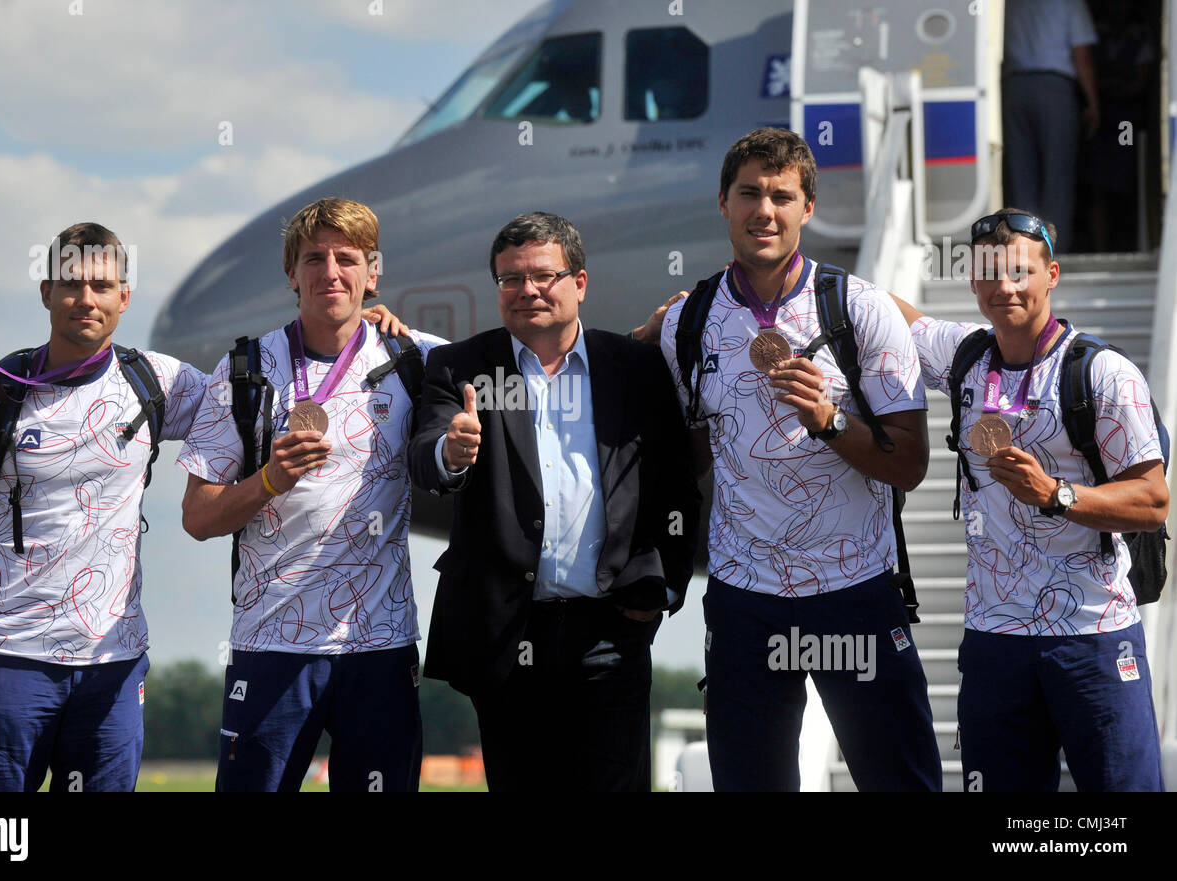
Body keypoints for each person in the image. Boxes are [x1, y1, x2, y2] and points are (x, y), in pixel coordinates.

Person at [656, 127, 942, 791]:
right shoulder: (687, 322)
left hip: (856, 591)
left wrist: (829, 421)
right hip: (744, 599)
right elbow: (687, 459)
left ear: (807, 208)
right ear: (723, 202)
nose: (765, 210)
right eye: (749, 193)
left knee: (901, 782)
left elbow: (910, 465)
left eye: (782, 196)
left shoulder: (862, 310)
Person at [0, 222, 207, 792]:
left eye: (102, 286)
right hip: (8, 654)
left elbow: (258, 396)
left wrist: (377, 331)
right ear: (46, 292)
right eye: (70, 284)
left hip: (113, 658)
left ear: (124, 297)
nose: (86, 299)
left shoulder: (158, 381)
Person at [407, 211, 700, 792]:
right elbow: (423, 457)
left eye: (544, 275)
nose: (527, 291)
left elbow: (676, 484)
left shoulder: (637, 368)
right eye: (510, 279)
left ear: (580, 283)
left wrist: (662, 588)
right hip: (507, 634)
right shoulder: (459, 367)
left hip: (611, 629)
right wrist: (452, 450)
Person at [892, 208, 1167, 791]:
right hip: (995, 640)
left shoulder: (1103, 373)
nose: (1005, 286)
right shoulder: (965, 356)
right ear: (973, 282)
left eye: (1020, 271)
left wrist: (1055, 493)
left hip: (1092, 634)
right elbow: (891, 312)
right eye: (989, 272)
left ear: (1052, 275)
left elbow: (1153, 501)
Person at [178, 197, 445, 792]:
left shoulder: (416, 358)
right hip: (270, 643)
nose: (331, 272)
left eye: (347, 259)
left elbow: (528, 367)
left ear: (372, 273)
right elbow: (197, 517)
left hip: (378, 643)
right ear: (290, 274)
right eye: (314, 258)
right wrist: (269, 480)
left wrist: (642, 336)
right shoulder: (245, 369)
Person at [1002, 0, 1099, 252]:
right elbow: (1083, 54)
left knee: (1021, 175)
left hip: (1014, 87)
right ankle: (1053, 254)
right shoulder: (1070, 3)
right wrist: (1093, 102)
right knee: (1057, 176)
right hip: (1055, 89)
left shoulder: (1010, 4)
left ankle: (1023, 251)